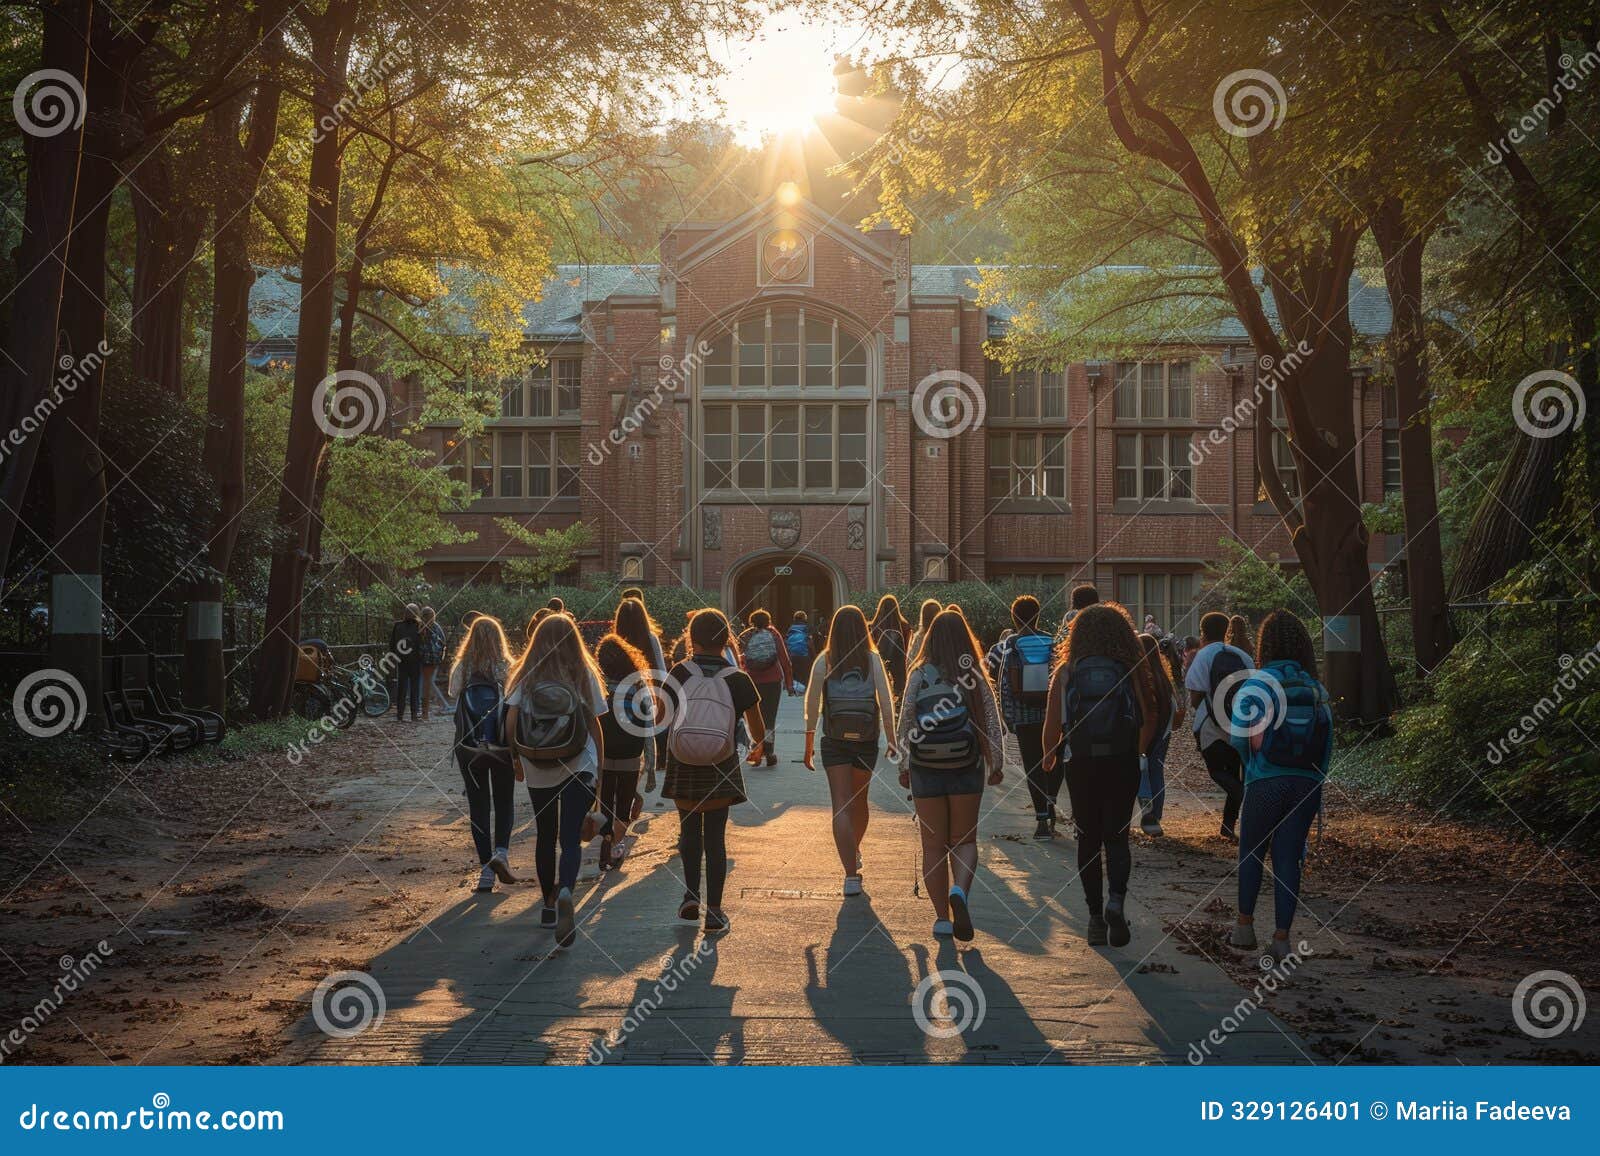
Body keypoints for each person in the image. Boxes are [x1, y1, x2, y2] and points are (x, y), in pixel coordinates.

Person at [1042, 604, 1158, 947]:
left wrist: (1050, 754)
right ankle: (1116, 900)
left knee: (1088, 837)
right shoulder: (1130, 667)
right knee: (1117, 835)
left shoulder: (1067, 670)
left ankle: (1094, 918)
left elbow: (1052, 723)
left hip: (1081, 762)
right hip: (1121, 761)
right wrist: (1136, 751)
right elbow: (1149, 715)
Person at [1230, 610, 1333, 961]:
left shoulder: (1256, 684)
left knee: (1252, 852)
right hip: (1306, 783)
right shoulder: (1315, 688)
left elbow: (1238, 738)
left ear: (1264, 645)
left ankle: (1244, 927)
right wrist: (1315, 781)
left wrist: (1252, 767)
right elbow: (1329, 740)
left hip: (1265, 780)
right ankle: (1282, 938)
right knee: (1289, 859)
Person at [895, 608, 1003, 941]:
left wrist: (903, 765)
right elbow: (990, 717)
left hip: (925, 767)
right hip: (966, 765)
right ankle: (960, 891)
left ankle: (942, 917)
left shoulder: (919, 673)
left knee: (933, 846)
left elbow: (906, 718)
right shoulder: (973, 674)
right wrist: (995, 763)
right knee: (965, 840)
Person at [504, 613, 608, 948]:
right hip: (578, 761)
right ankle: (566, 889)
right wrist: (600, 770)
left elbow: (511, 720)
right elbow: (595, 723)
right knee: (570, 838)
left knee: (545, 835)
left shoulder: (527, 672)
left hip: (538, 765)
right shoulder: (582, 670)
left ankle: (548, 907)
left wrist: (517, 758)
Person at [660, 609, 765, 933]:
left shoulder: (678, 672)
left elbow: (660, 716)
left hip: (684, 760)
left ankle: (690, 895)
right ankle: (715, 911)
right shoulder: (737, 677)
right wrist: (759, 747)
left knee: (689, 831)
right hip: (721, 762)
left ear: (692, 638)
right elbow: (758, 728)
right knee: (716, 837)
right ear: (726, 639)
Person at [803, 605, 898, 895]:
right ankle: (854, 848)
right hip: (866, 739)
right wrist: (892, 738)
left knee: (841, 804)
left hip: (834, 739)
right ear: (863, 629)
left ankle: (850, 875)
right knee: (860, 801)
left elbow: (812, 703)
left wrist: (808, 744)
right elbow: (885, 698)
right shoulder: (872, 659)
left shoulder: (825, 660)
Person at [448, 615, 516, 891]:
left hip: (469, 746)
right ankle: (502, 851)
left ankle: (486, 870)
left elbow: (453, 693)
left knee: (478, 807)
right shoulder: (507, 667)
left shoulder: (463, 667)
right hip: (501, 745)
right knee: (503, 801)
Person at [985, 595, 1059, 838]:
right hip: (1051, 712)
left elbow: (1005, 684)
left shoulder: (1011, 644)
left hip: (1024, 716)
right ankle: (1052, 804)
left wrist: (1007, 718)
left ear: (1013, 618)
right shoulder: (1050, 641)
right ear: (1037, 615)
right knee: (1053, 761)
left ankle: (1041, 820)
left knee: (1033, 765)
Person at [1185, 611, 1256, 841]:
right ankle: (1228, 825)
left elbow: (1195, 699)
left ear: (1202, 631)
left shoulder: (1203, 655)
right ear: (1226, 630)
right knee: (1235, 772)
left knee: (1217, 771)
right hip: (1239, 724)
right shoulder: (1242, 655)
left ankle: (1239, 796)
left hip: (1210, 726)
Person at [593, 631, 655, 871]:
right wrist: (650, 764)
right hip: (631, 751)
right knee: (624, 803)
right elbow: (648, 725)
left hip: (605, 752)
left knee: (605, 801)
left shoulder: (598, 684)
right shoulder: (638, 684)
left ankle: (606, 838)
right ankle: (618, 846)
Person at [1135, 631, 1185, 837]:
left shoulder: (1141, 679)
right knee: (1156, 772)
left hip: (1145, 734)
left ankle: (1147, 814)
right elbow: (1176, 715)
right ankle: (1155, 816)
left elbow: (1147, 714)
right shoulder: (1164, 679)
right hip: (1163, 734)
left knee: (1141, 774)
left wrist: (1140, 745)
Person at [614, 596, 669, 777]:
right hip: (646, 692)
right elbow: (660, 669)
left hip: (620, 694)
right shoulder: (650, 638)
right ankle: (655, 759)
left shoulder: (615, 640)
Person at [738, 609, 793, 767]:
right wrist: (789, 684)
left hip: (751, 681)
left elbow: (740, 659)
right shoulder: (774, 634)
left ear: (751, 621)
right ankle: (769, 752)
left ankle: (756, 752)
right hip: (772, 681)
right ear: (768, 621)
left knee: (754, 718)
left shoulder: (746, 635)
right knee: (769, 718)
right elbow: (785, 660)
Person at [868, 594, 910, 702]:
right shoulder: (904, 626)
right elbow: (907, 649)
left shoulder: (873, 627)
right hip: (899, 664)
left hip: (879, 662)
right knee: (900, 687)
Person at [389, 603, 423, 722]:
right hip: (415, 661)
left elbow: (392, 644)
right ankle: (414, 714)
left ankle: (400, 714)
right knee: (415, 689)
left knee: (401, 688)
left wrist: (395, 656)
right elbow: (421, 644)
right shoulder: (419, 626)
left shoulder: (398, 626)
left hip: (401, 661)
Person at [418, 606, 449, 719]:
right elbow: (443, 642)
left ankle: (424, 712)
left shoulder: (421, 626)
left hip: (425, 659)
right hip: (432, 659)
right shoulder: (435, 627)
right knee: (427, 684)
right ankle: (425, 711)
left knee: (426, 684)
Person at [785, 610, 815, 686]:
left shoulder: (790, 628)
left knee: (795, 673)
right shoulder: (807, 628)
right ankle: (805, 688)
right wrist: (814, 655)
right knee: (806, 673)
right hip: (804, 655)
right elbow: (810, 643)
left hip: (792, 655)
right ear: (805, 618)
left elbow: (786, 642)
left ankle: (796, 688)